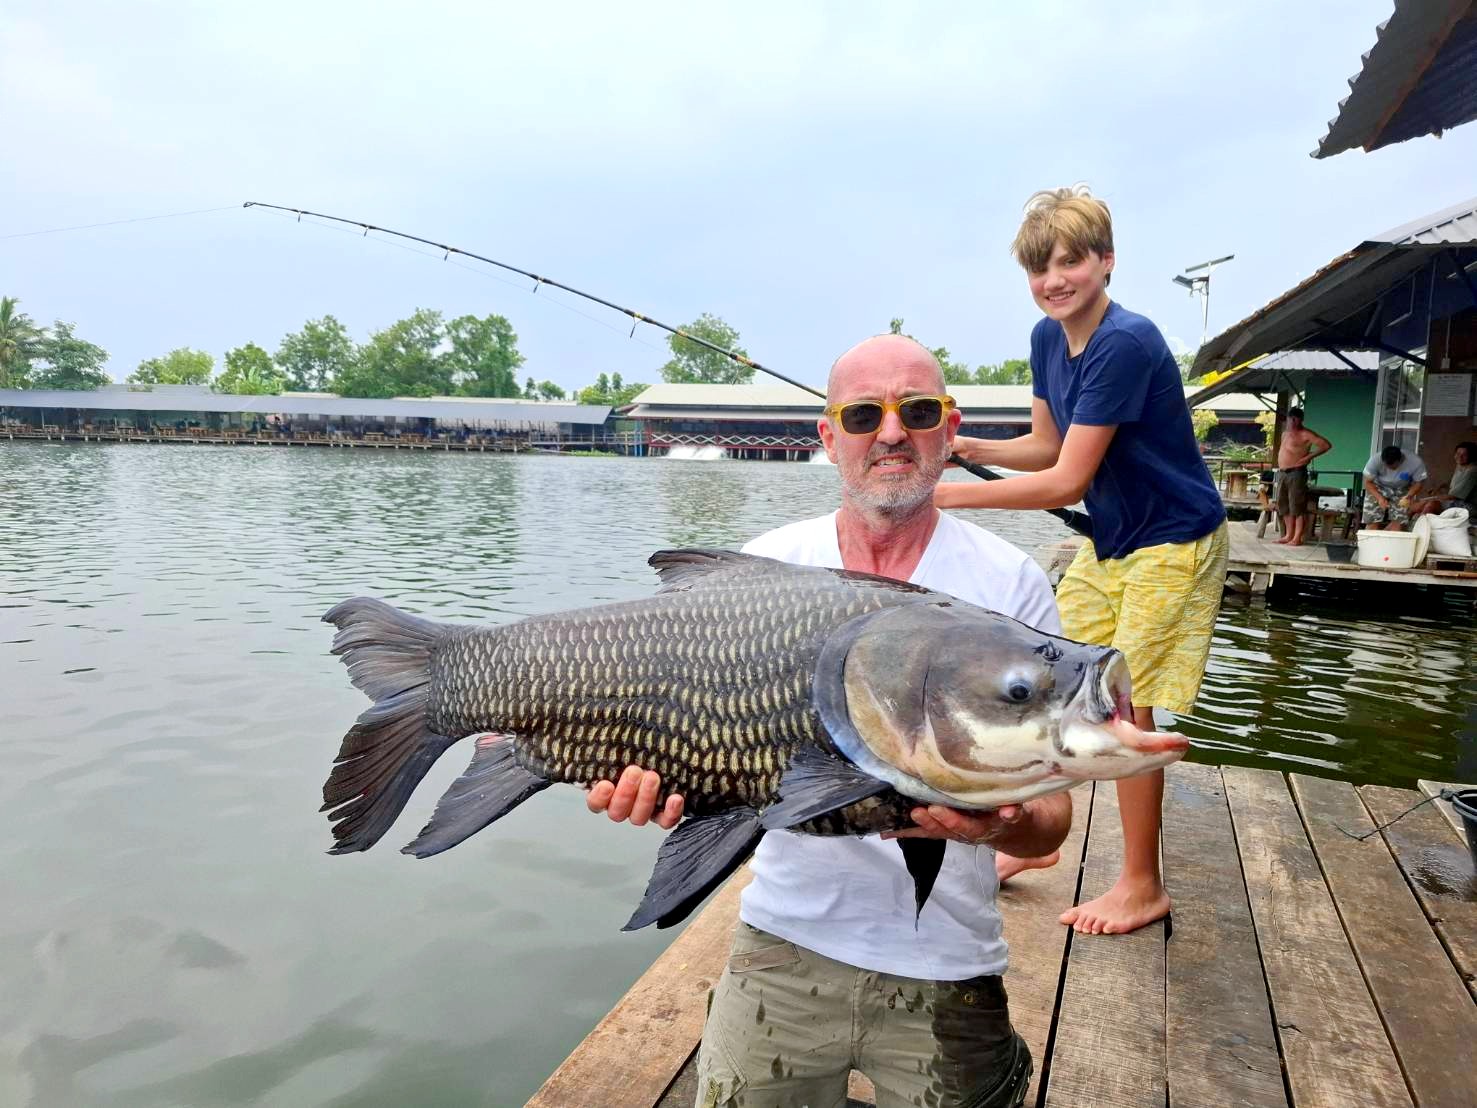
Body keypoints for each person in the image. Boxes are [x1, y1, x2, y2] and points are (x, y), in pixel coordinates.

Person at [589, 333, 1072, 1108]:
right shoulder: (771, 563)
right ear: (828, 436)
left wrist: (993, 827)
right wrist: (660, 788)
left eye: (916, 411)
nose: (889, 433)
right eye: (861, 414)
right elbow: (703, 758)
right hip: (783, 939)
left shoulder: (1004, 583)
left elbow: (1050, 825)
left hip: (945, 956)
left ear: (949, 428)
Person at [934, 186, 1228, 936]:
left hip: (1174, 537)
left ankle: (1140, 883)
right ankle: (1038, 843)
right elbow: (1043, 449)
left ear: (1105, 261)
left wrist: (941, 498)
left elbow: (1065, 481)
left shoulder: (1123, 342)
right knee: (1064, 686)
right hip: (1113, 539)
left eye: (1069, 262)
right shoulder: (1045, 338)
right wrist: (966, 450)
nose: (1052, 280)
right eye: (1038, 268)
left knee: (1129, 703)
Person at [1273, 407, 1332, 546]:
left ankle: (1297, 537)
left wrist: (1309, 456)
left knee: (1297, 505)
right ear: (1287, 419)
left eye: (1296, 419)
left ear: (1300, 420)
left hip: (1296, 472)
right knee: (1284, 505)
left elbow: (1326, 445)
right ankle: (1288, 535)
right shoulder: (1285, 434)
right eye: (1291, 418)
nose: (1293, 421)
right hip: (1282, 473)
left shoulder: (1306, 434)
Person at [1361, 444, 1427, 531]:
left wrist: (1409, 495)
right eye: (1387, 465)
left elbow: (1419, 482)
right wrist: (1379, 498)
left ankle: (1393, 541)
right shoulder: (1374, 460)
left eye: (1393, 466)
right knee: (1372, 519)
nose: (1390, 468)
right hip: (1378, 486)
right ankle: (1370, 542)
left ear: (1400, 460)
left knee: (1399, 521)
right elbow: (1367, 482)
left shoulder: (1416, 462)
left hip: (1402, 488)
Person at [1412, 441, 1477, 515]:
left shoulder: (1472, 471)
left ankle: (1420, 525)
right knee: (1416, 506)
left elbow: (1453, 496)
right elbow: (1451, 481)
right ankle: (1407, 523)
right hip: (1456, 501)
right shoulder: (1461, 465)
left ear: (1471, 456)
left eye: (1464, 455)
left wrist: (1428, 499)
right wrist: (1438, 488)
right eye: (1458, 454)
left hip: (1470, 506)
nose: (1460, 457)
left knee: (1430, 505)